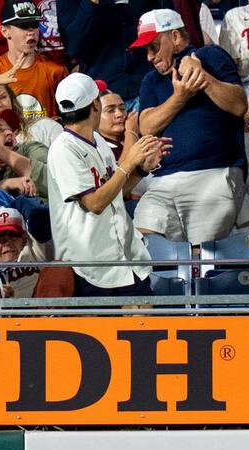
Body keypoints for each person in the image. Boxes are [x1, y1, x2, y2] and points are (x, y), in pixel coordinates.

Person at [134, 8, 248, 244]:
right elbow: (146, 126)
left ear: (175, 37)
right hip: (162, 180)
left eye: (153, 47)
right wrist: (180, 96)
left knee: (202, 259)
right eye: (146, 50)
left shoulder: (210, 56)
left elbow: (239, 105)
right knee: (143, 246)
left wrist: (203, 78)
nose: (149, 57)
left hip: (212, 173)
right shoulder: (150, 80)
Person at [47, 70, 162, 295]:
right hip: (93, 265)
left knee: (145, 326)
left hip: (126, 256)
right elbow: (94, 203)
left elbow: (113, 194)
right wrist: (128, 163)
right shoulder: (64, 148)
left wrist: (140, 169)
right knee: (110, 329)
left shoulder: (97, 139)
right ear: (95, 105)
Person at [0, 204, 74, 301]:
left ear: (25, 238)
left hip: (35, 317)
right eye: (0, 238)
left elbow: (40, 217)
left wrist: (23, 202)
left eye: (14, 236)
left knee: (58, 269)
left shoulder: (36, 252)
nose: (7, 243)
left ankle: (50, 322)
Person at [0, 0, 66, 120]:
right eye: (24, 26)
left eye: (35, 25)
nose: (31, 32)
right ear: (4, 31)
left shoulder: (56, 70)